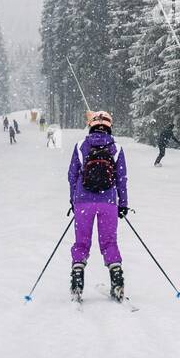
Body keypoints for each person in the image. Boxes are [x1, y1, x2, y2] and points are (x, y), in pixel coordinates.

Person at [67, 110, 129, 300]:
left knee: (82, 242)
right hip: (108, 202)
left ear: (91, 124)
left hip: (83, 202)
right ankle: (117, 279)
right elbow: (121, 178)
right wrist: (123, 204)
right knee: (109, 242)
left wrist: (74, 200)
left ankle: (77, 280)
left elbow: (72, 176)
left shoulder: (80, 146)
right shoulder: (116, 148)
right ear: (109, 125)